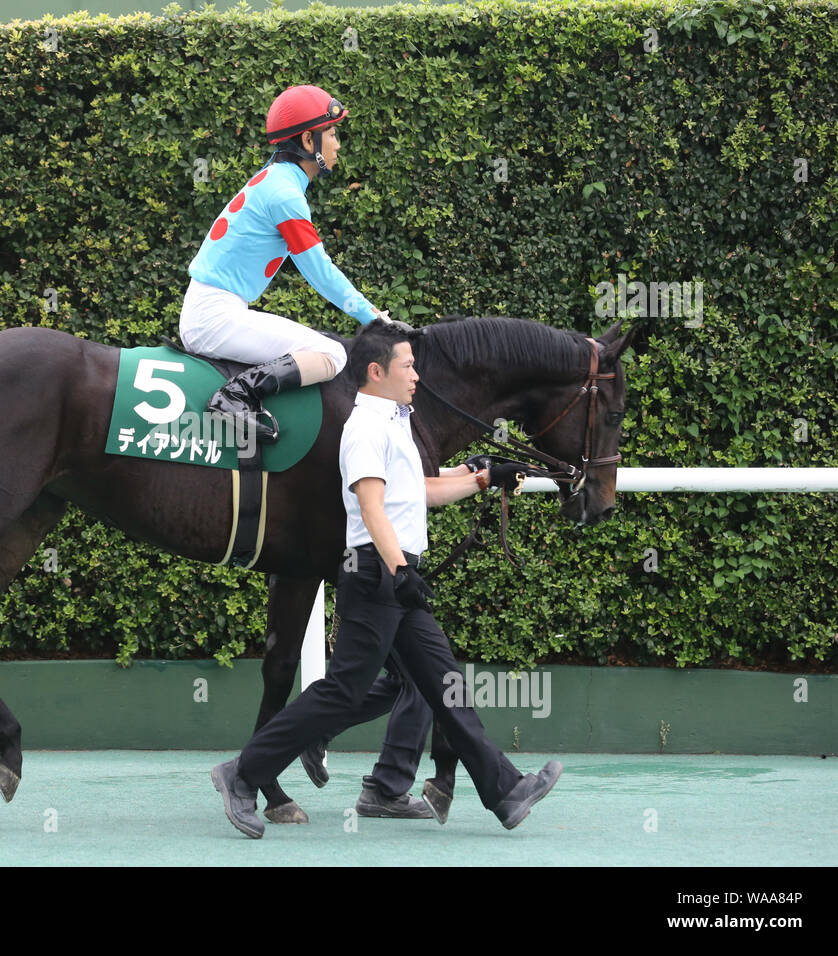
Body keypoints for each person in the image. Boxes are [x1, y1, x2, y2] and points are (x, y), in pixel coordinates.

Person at [211, 319, 563, 838]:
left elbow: (418, 489)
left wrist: (486, 477)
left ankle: (505, 791)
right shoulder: (365, 429)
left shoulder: (395, 420)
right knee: (342, 693)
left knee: (445, 686)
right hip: (377, 575)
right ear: (376, 372)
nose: (417, 374)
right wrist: (400, 571)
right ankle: (240, 774)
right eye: (408, 365)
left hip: (396, 576)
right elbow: (371, 506)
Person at [181, 84, 396, 444]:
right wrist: (374, 318)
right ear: (309, 142)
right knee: (331, 352)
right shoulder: (285, 195)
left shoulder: (276, 180)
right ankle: (236, 396)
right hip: (214, 318)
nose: (338, 144)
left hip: (213, 309)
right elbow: (319, 271)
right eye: (331, 133)